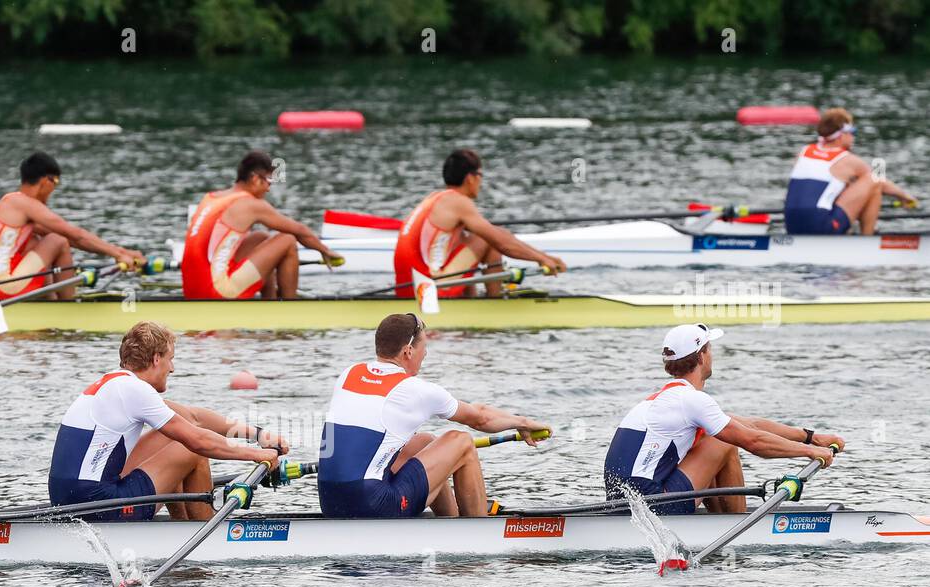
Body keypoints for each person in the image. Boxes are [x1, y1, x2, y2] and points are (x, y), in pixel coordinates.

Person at [317, 312, 551, 518]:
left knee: (425, 442)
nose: (425, 353)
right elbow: (480, 418)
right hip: (372, 504)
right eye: (423, 347)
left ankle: (449, 521)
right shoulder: (416, 389)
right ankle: (477, 531)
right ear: (408, 351)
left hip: (330, 501)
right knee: (461, 441)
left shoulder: (349, 374)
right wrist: (522, 422)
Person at [48, 322, 289, 521]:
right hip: (96, 506)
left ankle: (182, 524)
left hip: (68, 502)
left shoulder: (117, 383)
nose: (171, 368)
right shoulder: (135, 391)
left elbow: (194, 417)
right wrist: (256, 455)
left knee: (172, 434)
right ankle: (205, 527)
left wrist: (259, 435)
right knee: (191, 448)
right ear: (156, 359)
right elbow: (197, 440)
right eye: (170, 359)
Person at [604, 323, 845, 514]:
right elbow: (753, 442)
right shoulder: (691, 400)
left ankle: (722, 516)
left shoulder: (661, 400)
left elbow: (750, 426)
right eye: (710, 349)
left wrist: (811, 438)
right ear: (701, 356)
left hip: (623, 501)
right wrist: (810, 453)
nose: (712, 355)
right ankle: (737, 524)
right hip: (648, 506)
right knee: (725, 442)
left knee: (720, 435)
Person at [0, 152, 146, 302]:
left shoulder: (11, 205)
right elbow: (75, 235)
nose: (54, 189)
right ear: (46, 181)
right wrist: (118, 255)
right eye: (56, 183)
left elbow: (76, 241)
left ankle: (51, 299)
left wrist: (123, 252)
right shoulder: (23, 203)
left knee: (36, 241)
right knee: (57, 241)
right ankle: (68, 305)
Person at [393, 149, 567, 299]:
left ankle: (469, 299)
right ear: (470, 178)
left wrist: (544, 256)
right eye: (480, 175)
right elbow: (502, 243)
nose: (481, 182)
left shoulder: (434, 199)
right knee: (488, 241)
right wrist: (542, 259)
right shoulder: (459, 202)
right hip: (427, 290)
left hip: (408, 287)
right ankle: (495, 301)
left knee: (469, 238)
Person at [181, 150, 340, 300]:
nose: (269, 189)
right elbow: (299, 230)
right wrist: (325, 250)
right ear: (255, 178)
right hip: (217, 291)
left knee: (261, 238)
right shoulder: (249, 203)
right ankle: (290, 310)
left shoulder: (210, 198)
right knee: (288, 240)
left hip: (192, 289)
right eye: (269, 181)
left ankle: (269, 301)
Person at [784, 108, 918, 236]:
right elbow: (881, 180)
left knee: (842, 186)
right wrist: (905, 197)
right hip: (821, 226)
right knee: (874, 181)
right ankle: (867, 241)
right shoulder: (848, 160)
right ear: (841, 135)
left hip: (791, 224)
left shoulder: (803, 152)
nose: (853, 137)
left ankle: (848, 234)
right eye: (852, 132)